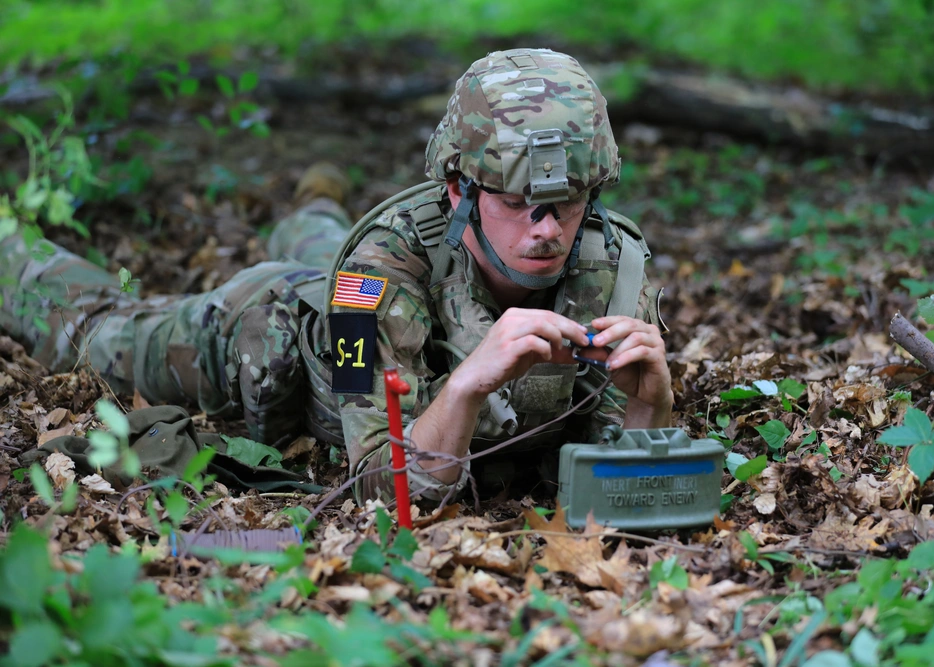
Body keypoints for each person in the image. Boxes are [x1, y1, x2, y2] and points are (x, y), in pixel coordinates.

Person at [0, 48, 672, 503]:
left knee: (331, 249)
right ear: (457, 191)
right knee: (94, 330)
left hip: (380, 281)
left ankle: (313, 207)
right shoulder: (372, 276)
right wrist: (468, 385)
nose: (547, 228)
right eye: (518, 200)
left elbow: (618, 483)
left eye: (567, 201)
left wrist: (651, 408)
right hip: (263, 330)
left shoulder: (613, 268)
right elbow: (379, 477)